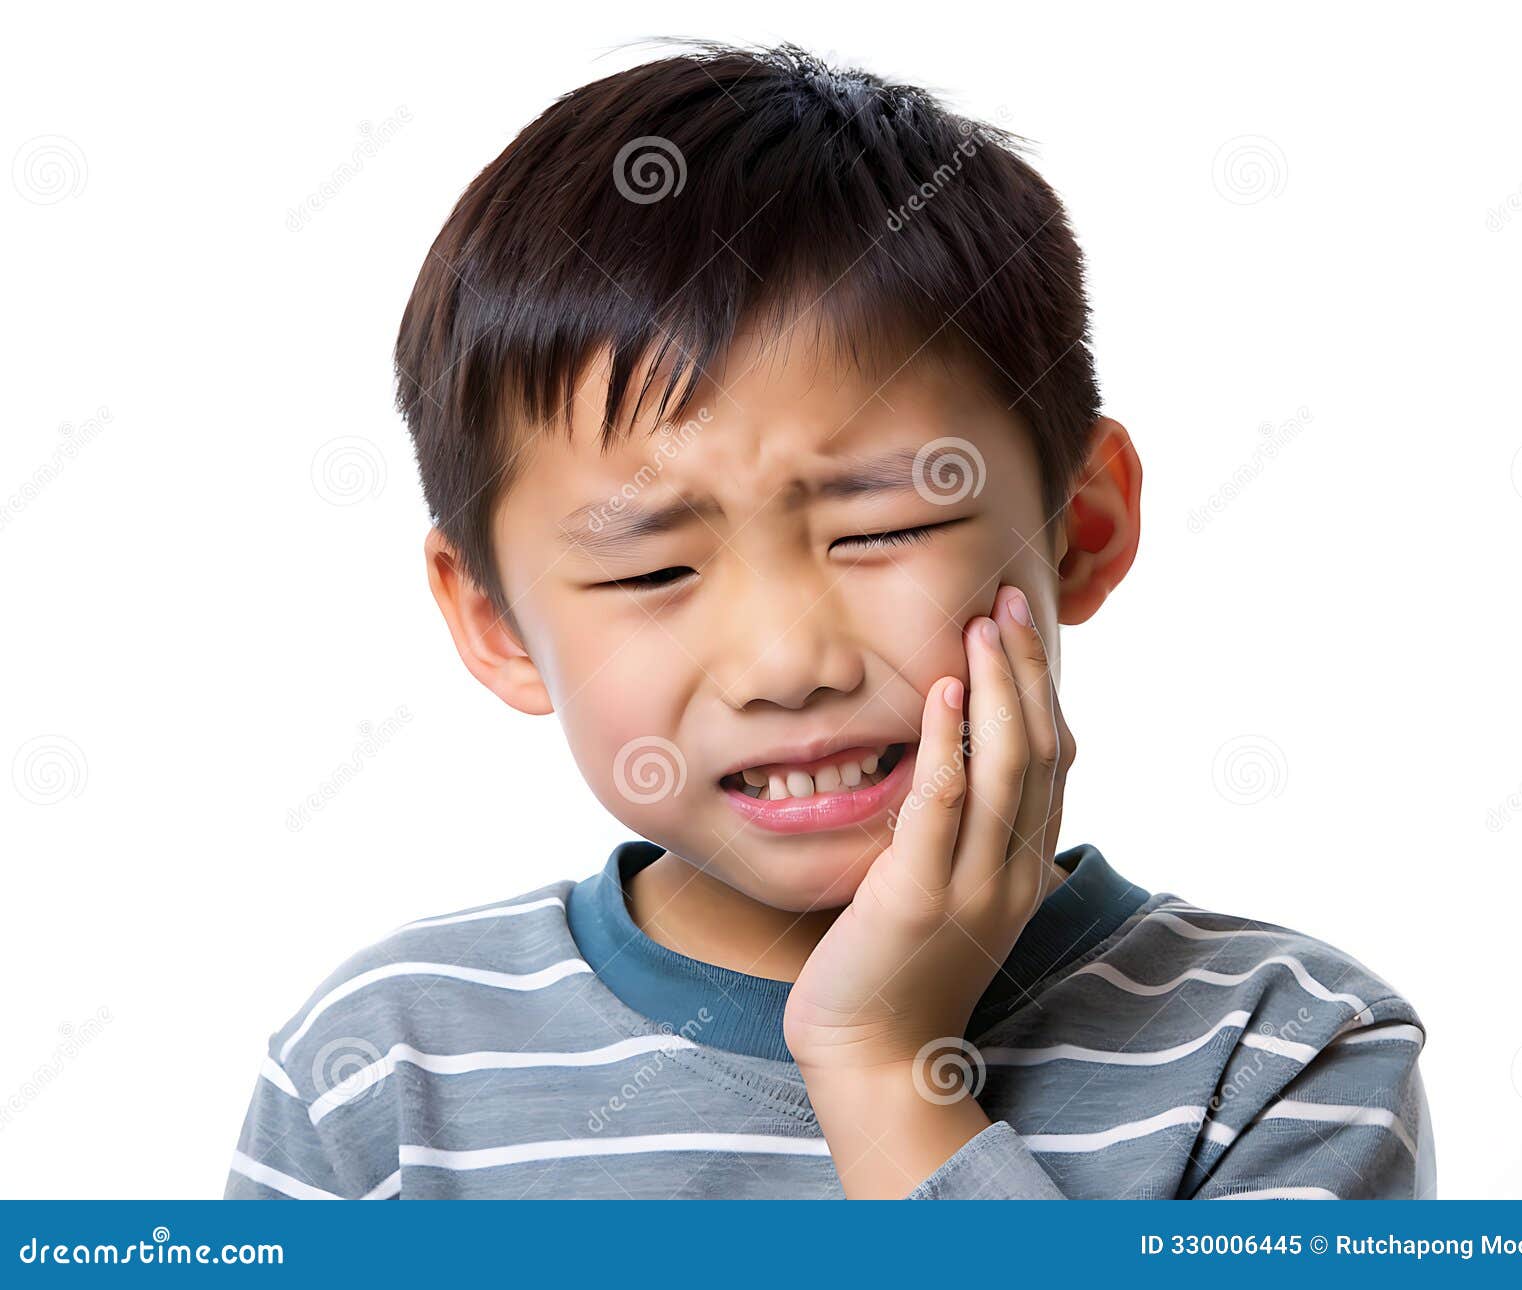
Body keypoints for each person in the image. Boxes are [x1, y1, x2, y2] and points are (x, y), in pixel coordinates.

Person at [225, 40, 1432, 1200]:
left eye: (881, 529)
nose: (785, 664)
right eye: (650, 571)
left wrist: (886, 1068)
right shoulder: (380, 1071)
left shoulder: (1280, 1058)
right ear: (493, 622)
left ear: (1083, 526)